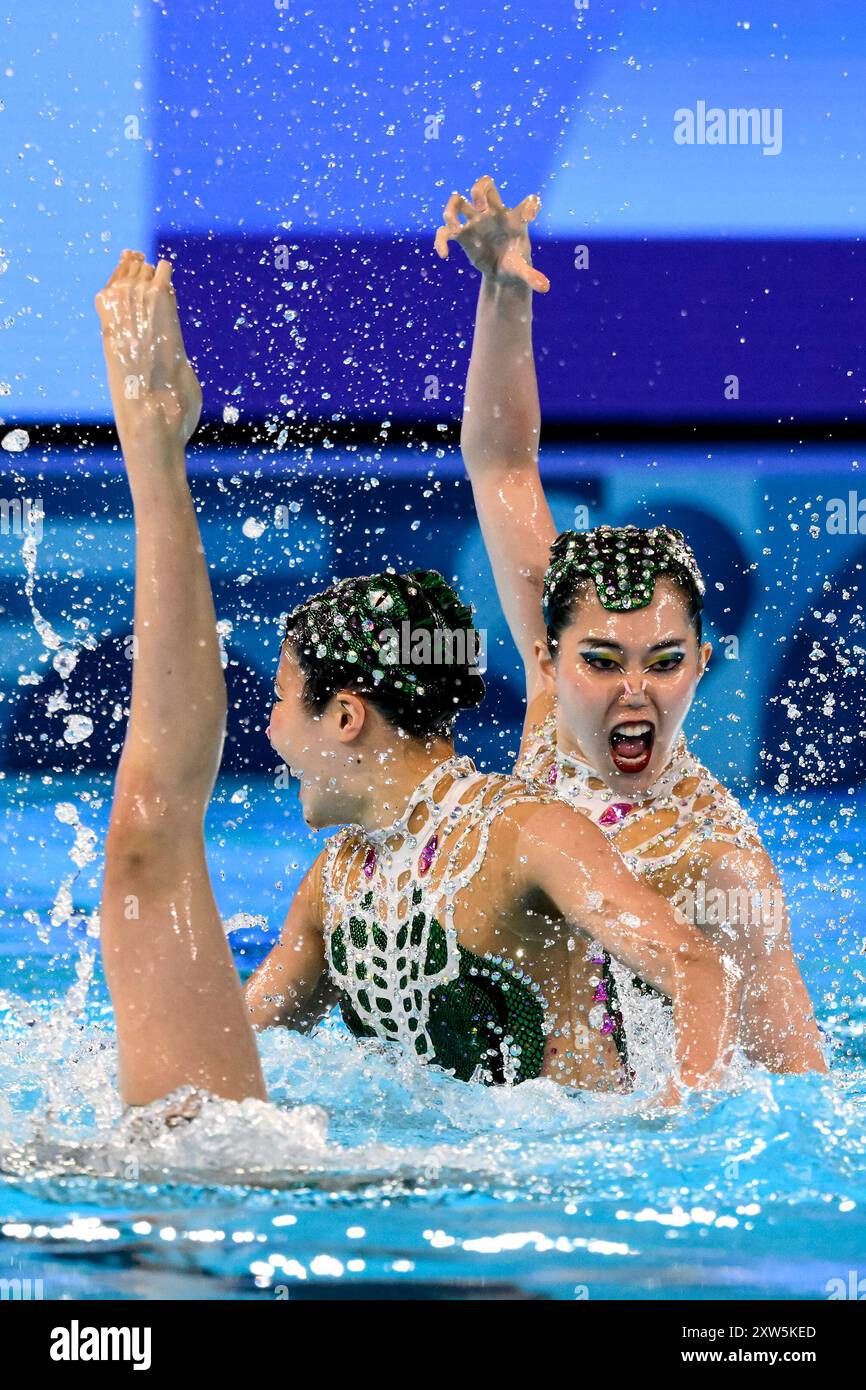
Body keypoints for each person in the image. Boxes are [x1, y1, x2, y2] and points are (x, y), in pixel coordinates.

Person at [95, 249, 737, 1116]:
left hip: (579, 1199)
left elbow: (695, 970)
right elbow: (229, 1052)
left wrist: (677, 1125)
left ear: (348, 716)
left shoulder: (528, 832)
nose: (272, 732)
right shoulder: (339, 879)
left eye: (286, 702)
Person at [435, 175, 827, 1083]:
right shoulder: (547, 706)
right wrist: (502, 287)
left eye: (665, 662)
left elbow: (795, 1095)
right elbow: (500, 462)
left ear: (704, 664)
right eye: (602, 660)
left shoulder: (720, 871)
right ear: (547, 655)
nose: (634, 690)